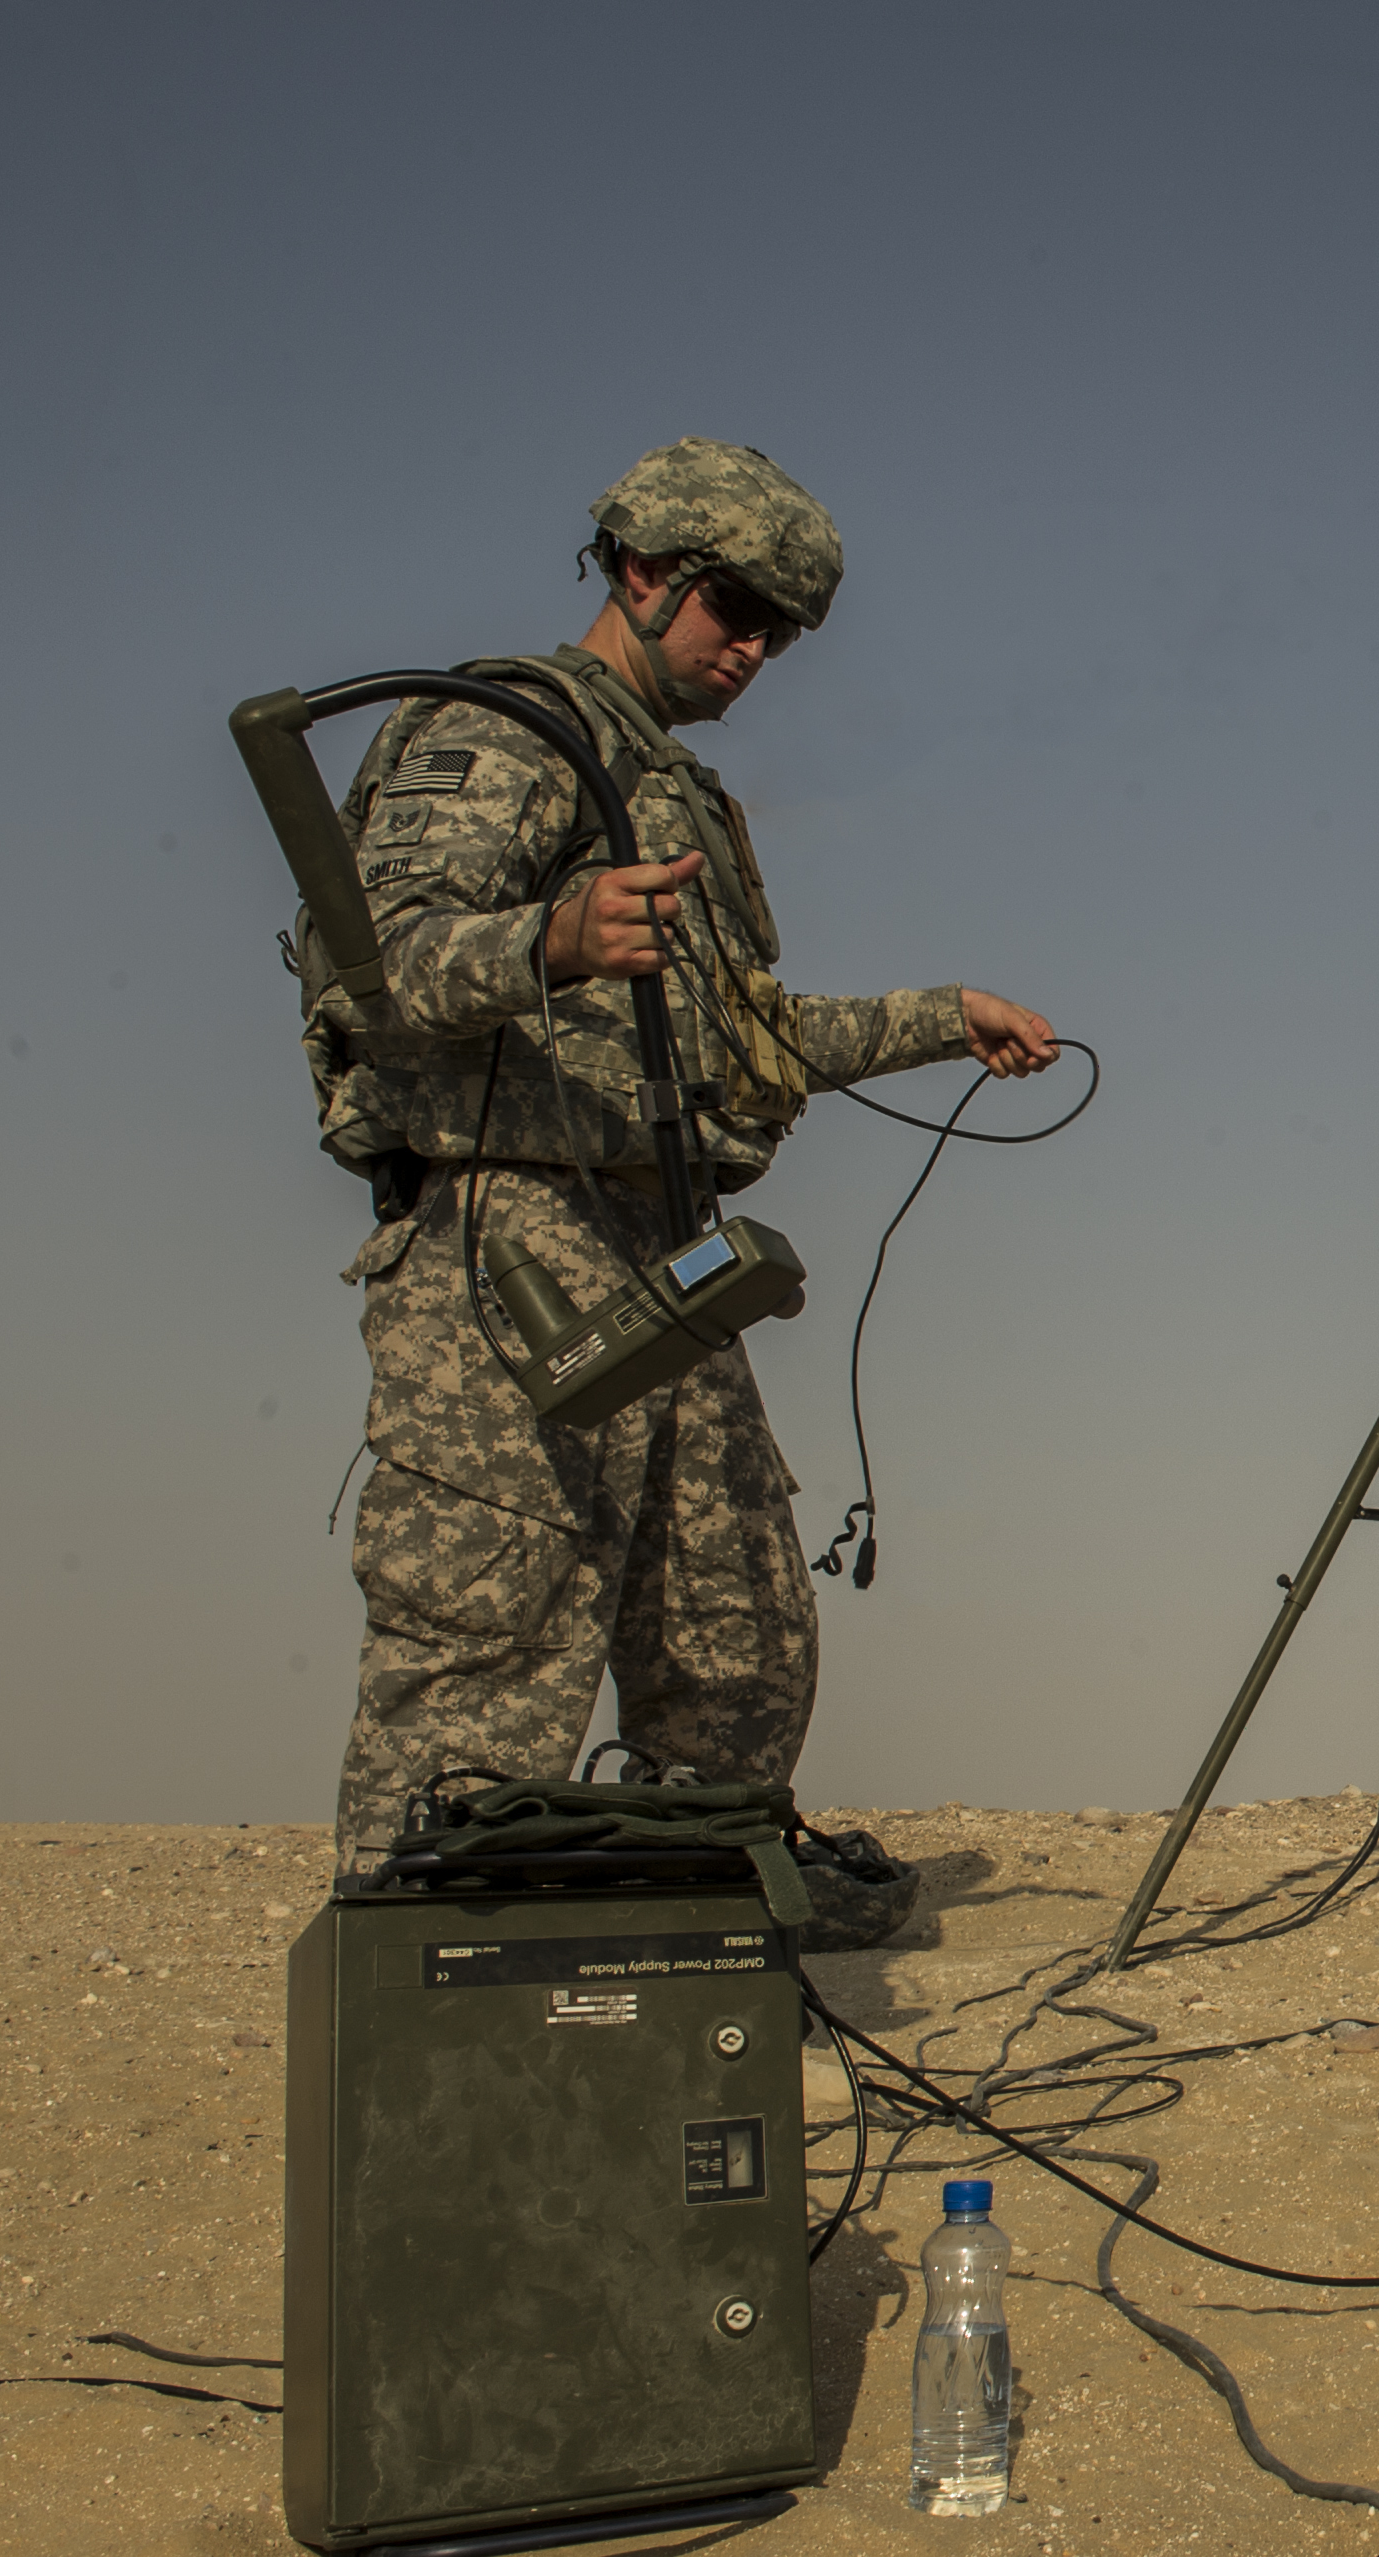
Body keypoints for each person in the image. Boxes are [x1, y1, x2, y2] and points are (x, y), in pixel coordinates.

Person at [300, 438, 1061, 1931]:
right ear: (643, 572)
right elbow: (372, 962)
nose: (755, 649)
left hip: (663, 1248)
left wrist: (933, 1019)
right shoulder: (507, 732)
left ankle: (689, 1919)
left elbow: (734, 1043)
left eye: (782, 629)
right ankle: (432, 1982)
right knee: (489, 1633)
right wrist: (555, 938)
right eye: (735, 608)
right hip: (505, 1233)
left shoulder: (676, 792)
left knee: (738, 1636)